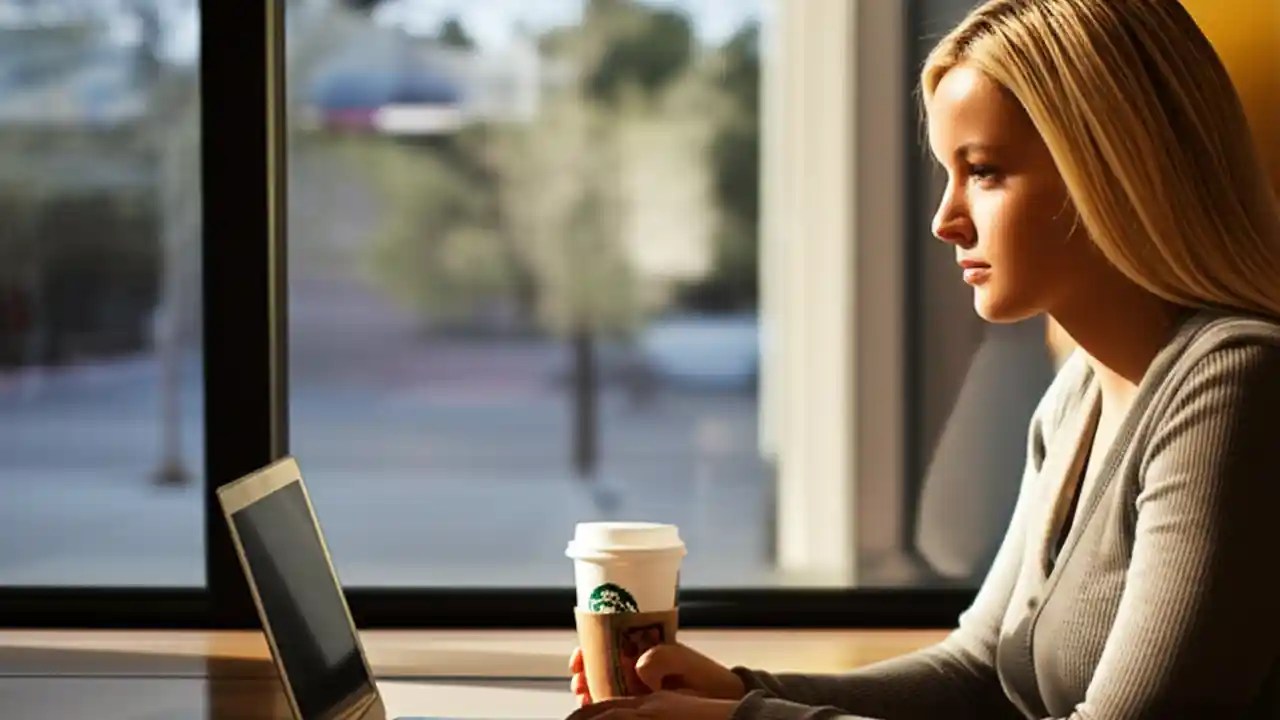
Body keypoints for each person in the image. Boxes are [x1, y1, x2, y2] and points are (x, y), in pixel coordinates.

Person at [566, 0, 1280, 717]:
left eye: (986, 171)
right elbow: (978, 671)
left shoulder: (1237, 385)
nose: (945, 218)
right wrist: (744, 691)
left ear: (1115, 168)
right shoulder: (1076, 399)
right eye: (948, 172)